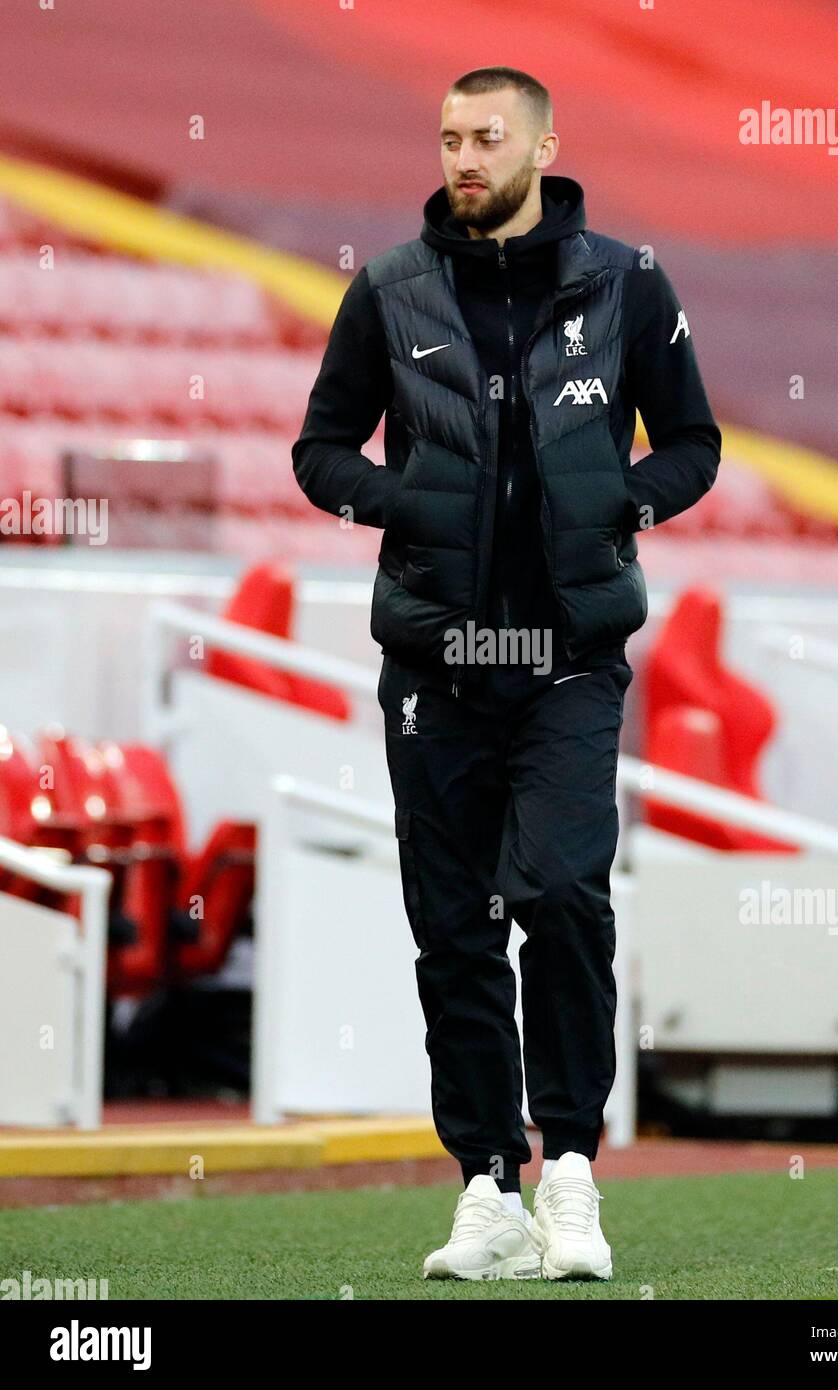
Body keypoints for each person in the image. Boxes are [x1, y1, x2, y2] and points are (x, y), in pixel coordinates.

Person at [292, 65, 721, 1281]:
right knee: (453, 932)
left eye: (486, 137)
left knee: (564, 898)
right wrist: (402, 506)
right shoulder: (385, 290)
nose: (462, 157)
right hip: (436, 662)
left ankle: (571, 1171)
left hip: (571, 659)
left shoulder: (626, 285)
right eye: (446, 138)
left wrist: (619, 504)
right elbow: (319, 448)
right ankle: (486, 1185)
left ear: (542, 146)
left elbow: (693, 442)